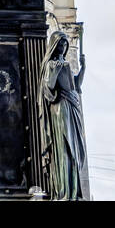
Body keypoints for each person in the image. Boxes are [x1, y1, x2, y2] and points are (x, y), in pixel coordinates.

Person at [37, 30, 87, 201]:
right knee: (64, 149)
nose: (63, 46)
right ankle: (63, 191)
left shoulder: (64, 63)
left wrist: (83, 68)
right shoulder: (51, 65)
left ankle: (73, 192)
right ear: (54, 45)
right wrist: (56, 69)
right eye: (60, 43)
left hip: (72, 107)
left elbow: (75, 84)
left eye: (65, 44)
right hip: (60, 108)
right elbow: (47, 88)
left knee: (73, 151)